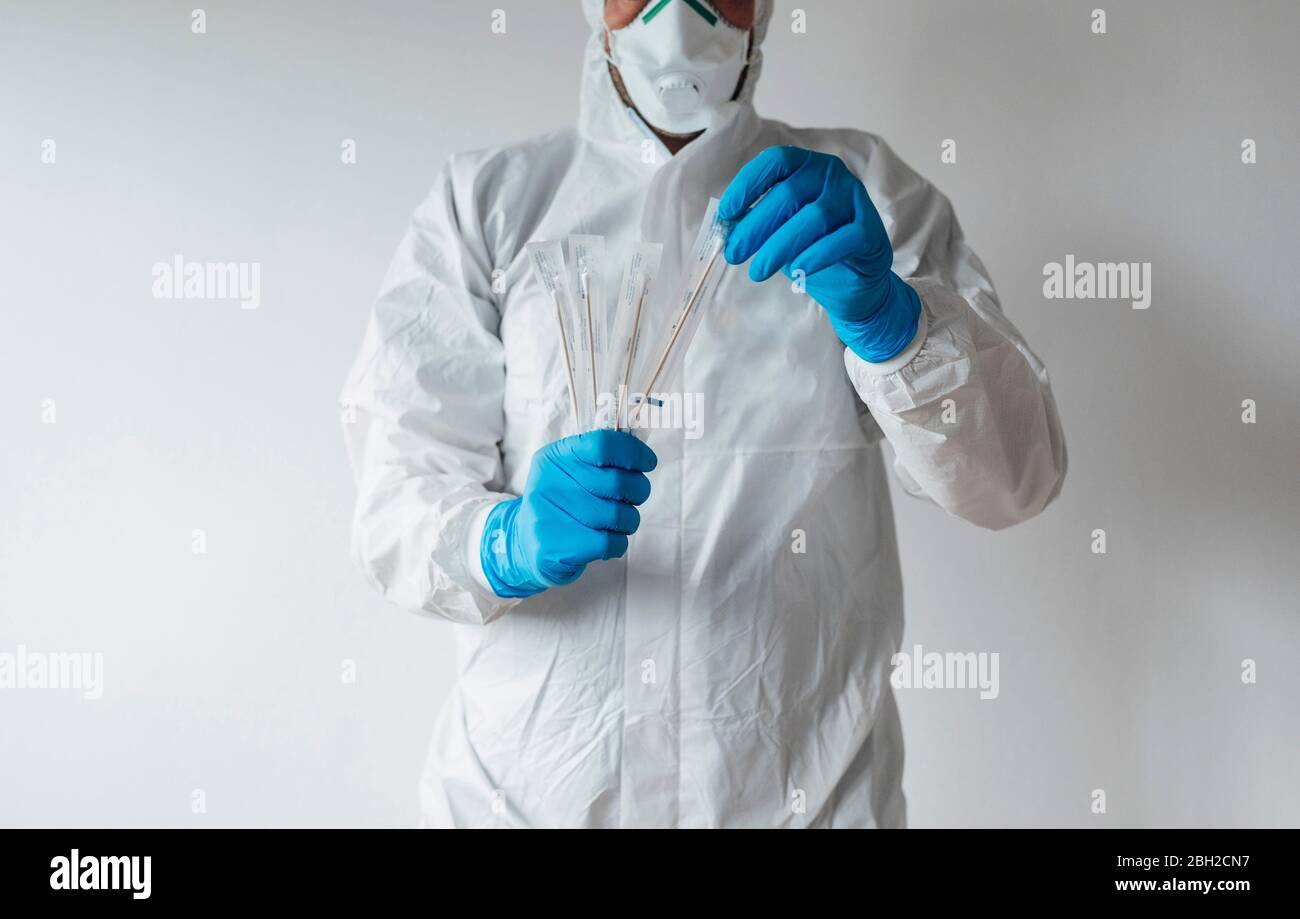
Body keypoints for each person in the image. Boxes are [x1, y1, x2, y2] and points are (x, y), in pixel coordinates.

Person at [341, 0, 1066, 828]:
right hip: (519, 804)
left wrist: (896, 325)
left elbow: (1016, 479)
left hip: (811, 804)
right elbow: (393, 500)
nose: (676, 11)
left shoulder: (864, 199)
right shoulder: (488, 206)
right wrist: (504, 541)